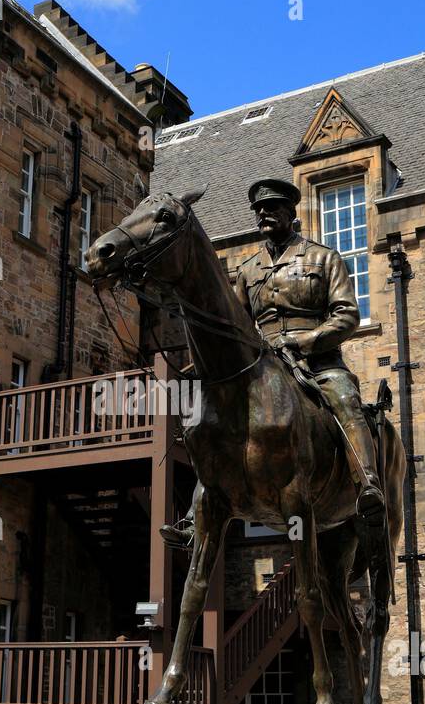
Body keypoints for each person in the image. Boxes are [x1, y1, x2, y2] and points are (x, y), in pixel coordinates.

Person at [161, 176, 384, 548]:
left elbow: (346, 315)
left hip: (318, 363)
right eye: (259, 209)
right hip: (265, 368)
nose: (264, 213)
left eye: (272, 207)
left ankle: (368, 485)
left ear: (290, 212)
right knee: (217, 423)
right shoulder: (248, 271)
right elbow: (236, 325)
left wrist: (306, 340)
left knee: (346, 401)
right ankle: (192, 517)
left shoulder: (323, 258)